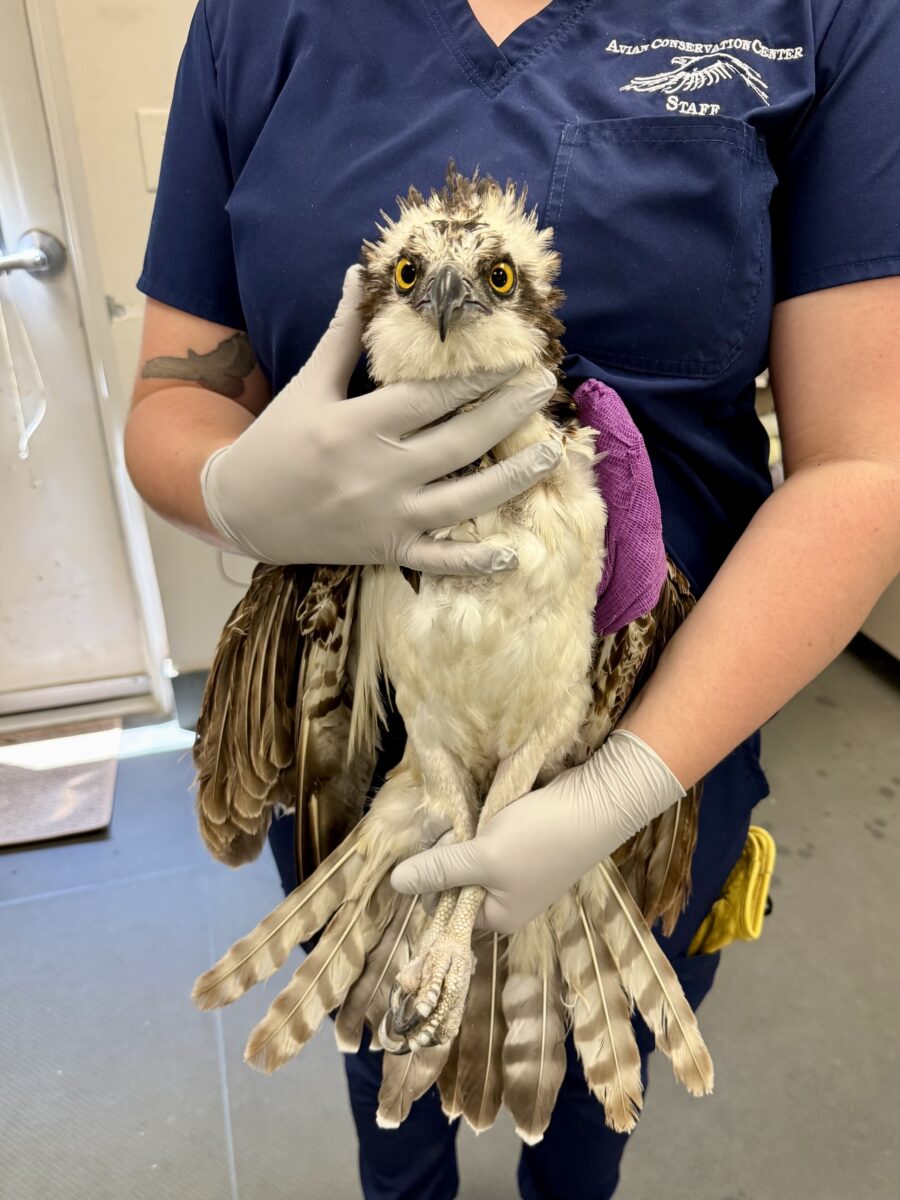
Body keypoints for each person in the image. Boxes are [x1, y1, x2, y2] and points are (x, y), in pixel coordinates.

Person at [124, 2, 900, 1197]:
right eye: (411, 279)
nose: (444, 299)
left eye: (486, 279)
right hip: (351, 756)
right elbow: (171, 399)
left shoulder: (829, 18)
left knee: (592, 1106)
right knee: (386, 1078)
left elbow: (863, 463)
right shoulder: (254, 20)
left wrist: (623, 783)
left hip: (663, 747)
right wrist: (233, 489)